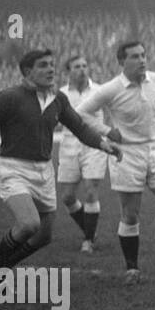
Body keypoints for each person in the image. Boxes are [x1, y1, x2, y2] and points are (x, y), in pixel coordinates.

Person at [0, 49, 121, 270]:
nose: (50, 69)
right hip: (13, 169)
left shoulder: (58, 99)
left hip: (44, 171)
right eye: (43, 65)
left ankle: (3, 267)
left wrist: (103, 144)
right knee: (29, 224)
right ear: (28, 71)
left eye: (51, 64)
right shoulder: (9, 97)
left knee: (44, 236)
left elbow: (79, 127)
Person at [76, 42, 155, 284]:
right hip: (127, 155)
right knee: (130, 215)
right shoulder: (111, 89)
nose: (142, 60)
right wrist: (107, 130)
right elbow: (82, 113)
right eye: (135, 57)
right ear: (121, 62)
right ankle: (132, 268)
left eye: (143, 55)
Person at [55, 54, 107, 253]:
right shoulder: (60, 94)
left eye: (85, 65)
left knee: (91, 191)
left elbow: (114, 111)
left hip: (94, 145)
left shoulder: (100, 90)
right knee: (67, 197)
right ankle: (90, 230)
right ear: (68, 71)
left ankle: (88, 241)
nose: (82, 69)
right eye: (77, 66)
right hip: (69, 146)